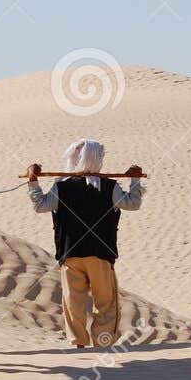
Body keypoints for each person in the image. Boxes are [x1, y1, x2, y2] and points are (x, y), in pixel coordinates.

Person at [27, 139, 143, 348]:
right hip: (100, 254)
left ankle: (78, 343)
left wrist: (33, 181)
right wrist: (135, 180)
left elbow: (40, 205)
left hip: (71, 254)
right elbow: (132, 204)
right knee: (106, 303)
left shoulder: (61, 187)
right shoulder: (110, 187)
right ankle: (103, 343)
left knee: (74, 303)